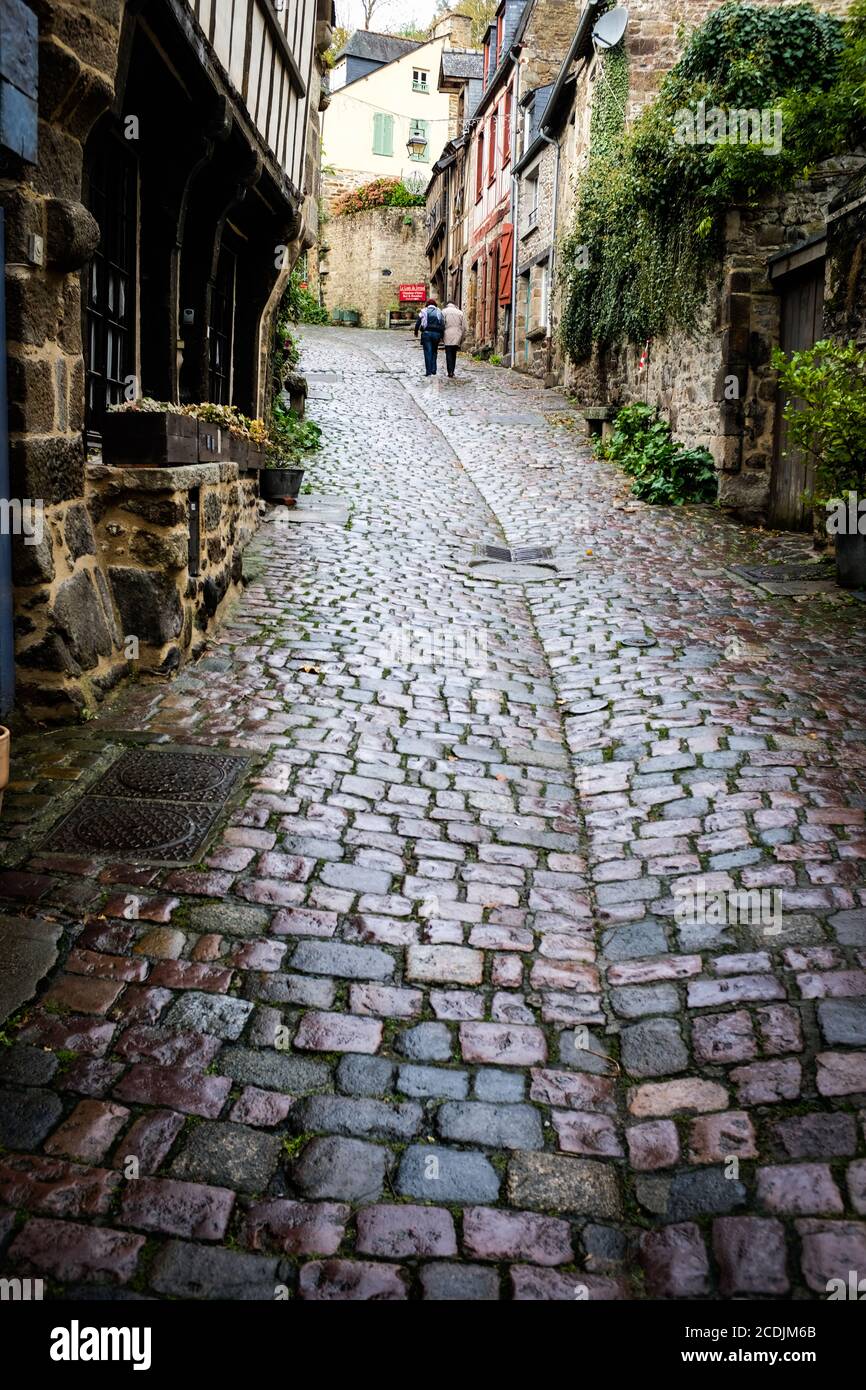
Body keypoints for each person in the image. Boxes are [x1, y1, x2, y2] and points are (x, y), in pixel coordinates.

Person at [414, 298, 445, 376]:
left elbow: (418, 322)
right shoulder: (439, 311)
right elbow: (442, 323)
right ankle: (434, 369)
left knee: (428, 352)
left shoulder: (423, 311)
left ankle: (428, 371)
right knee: (434, 351)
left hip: (426, 333)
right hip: (436, 334)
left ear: (427, 304)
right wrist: (441, 335)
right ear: (435, 304)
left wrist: (416, 331)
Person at [442, 300, 467, 378]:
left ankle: (450, 371)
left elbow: (442, 324)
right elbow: (464, 327)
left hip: (447, 334)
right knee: (454, 353)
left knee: (448, 353)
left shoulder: (444, 312)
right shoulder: (460, 312)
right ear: (454, 305)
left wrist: (441, 335)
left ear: (447, 305)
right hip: (457, 334)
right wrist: (462, 337)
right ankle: (452, 370)